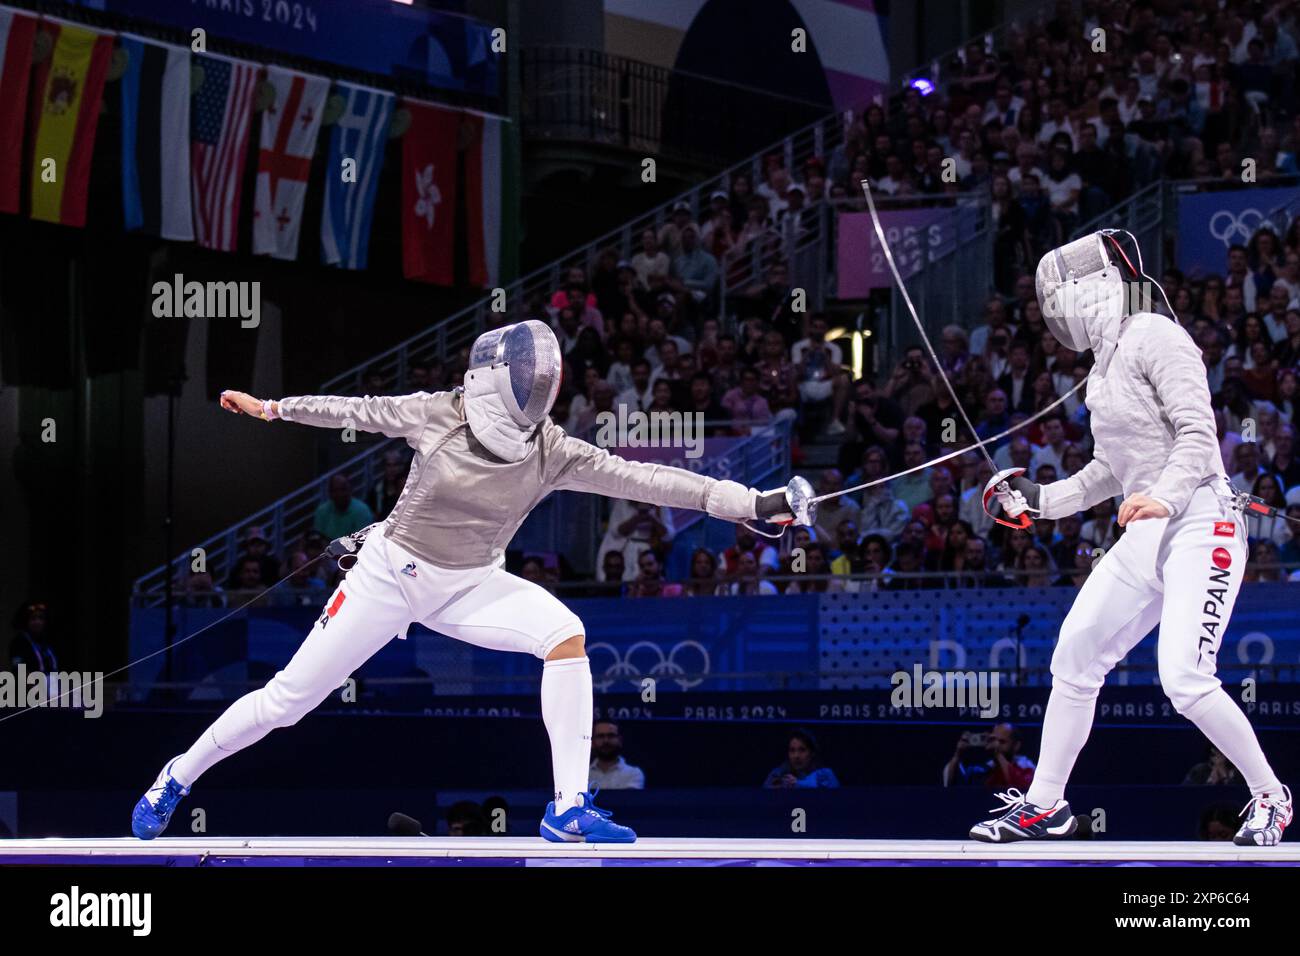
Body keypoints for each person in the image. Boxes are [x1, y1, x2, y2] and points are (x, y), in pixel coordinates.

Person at [131, 320, 797, 845]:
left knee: (566, 635)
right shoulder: (437, 412)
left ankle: (568, 808)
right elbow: (352, 410)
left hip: (471, 585)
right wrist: (273, 409)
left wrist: (755, 504)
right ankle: (174, 778)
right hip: (388, 578)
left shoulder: (551, 449)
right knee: (286, 703)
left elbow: (652, 479)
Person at [974, 233, 1291, 845]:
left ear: (1092, 288)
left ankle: (1271, 798)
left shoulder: (1159, 337)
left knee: (1184, 678)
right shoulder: (1101, 372)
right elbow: (1107, 473)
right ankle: (1046, 805)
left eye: (1060, 296)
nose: (1057, 312)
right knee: (1073, 657)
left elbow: (1199, 436)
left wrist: (1166, 497)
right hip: (1148, 527)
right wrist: (1036, 501)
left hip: (1201, 521)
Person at [762, 729, 839, 788]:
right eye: (792, 750)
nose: (796, 756)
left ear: (812, 753)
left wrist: (798, 784)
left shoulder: (826, 775)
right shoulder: (777, 774)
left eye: (802, 750)